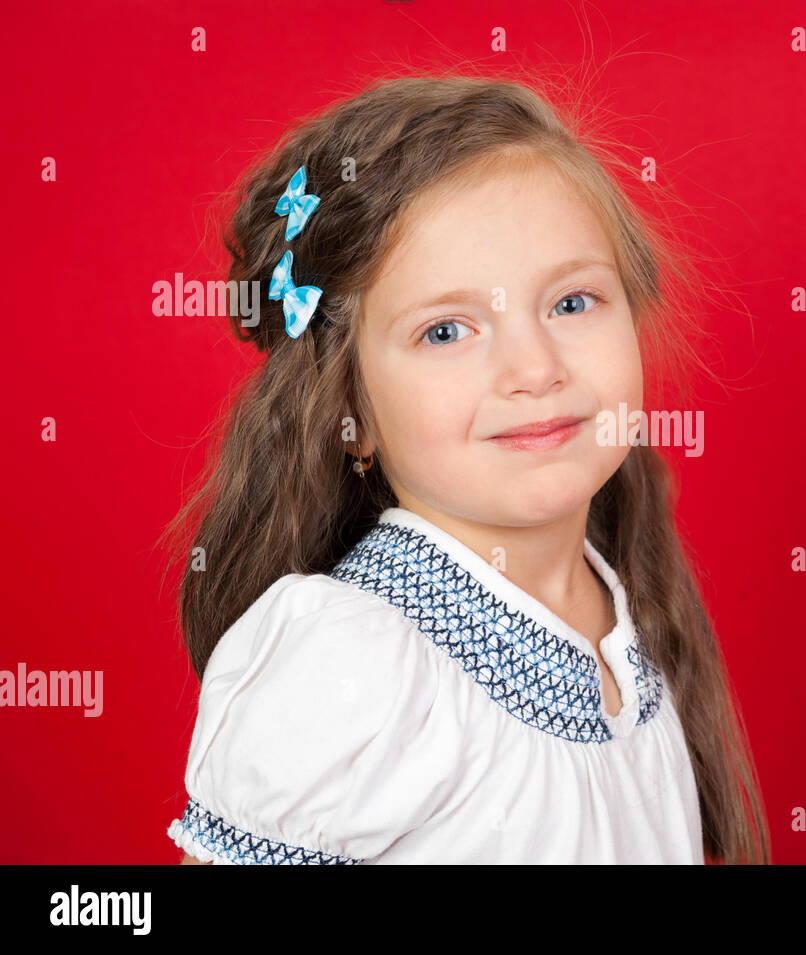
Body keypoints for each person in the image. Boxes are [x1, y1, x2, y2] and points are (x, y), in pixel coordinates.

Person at [160, 74, 769, 864]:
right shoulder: (353, 663)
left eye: (572, 303)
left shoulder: (625, 613)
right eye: (447, 330)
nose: (534, 367)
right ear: (352, 412)